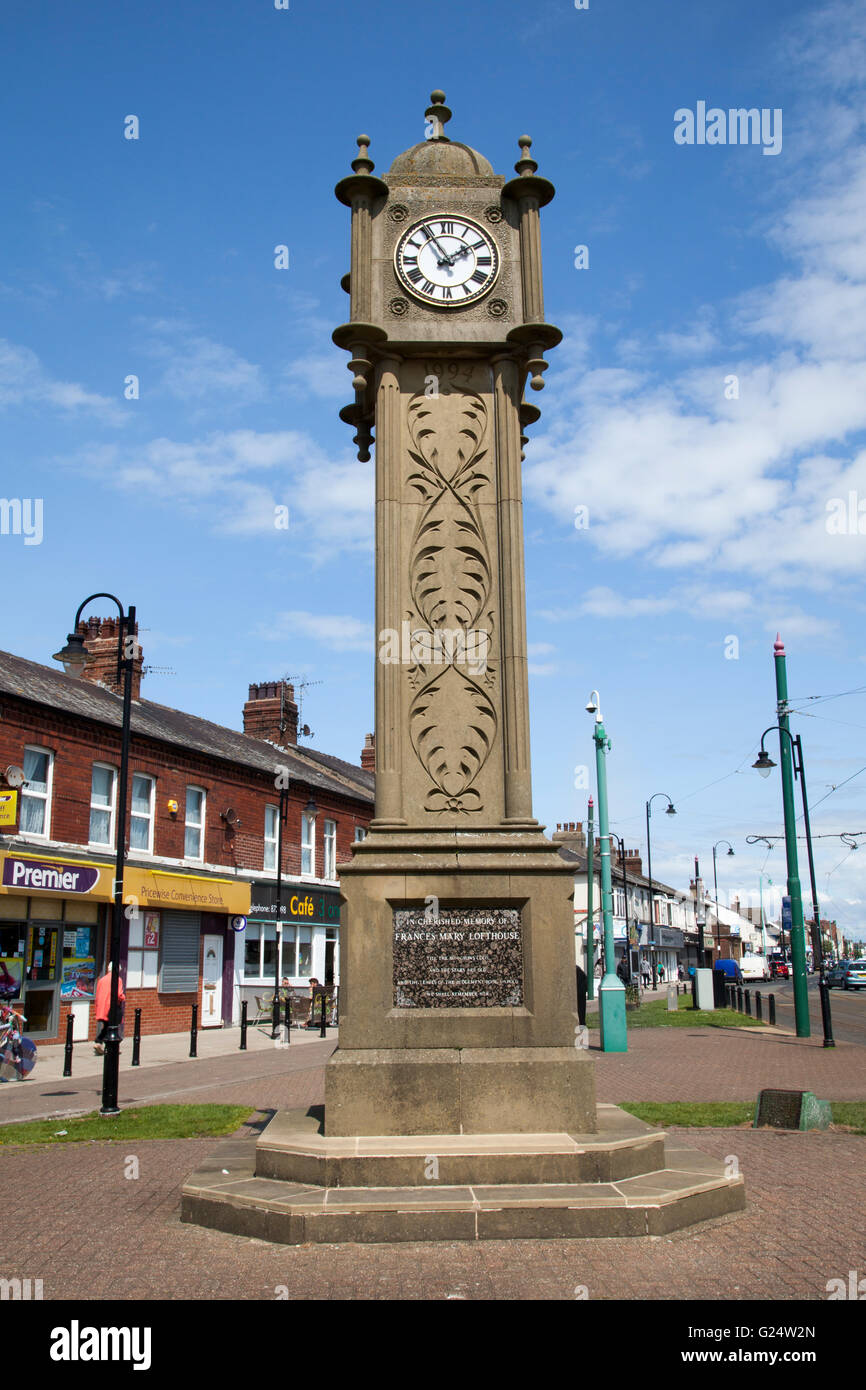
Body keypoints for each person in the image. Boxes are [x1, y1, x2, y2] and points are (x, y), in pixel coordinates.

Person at [93, 964, 125, 1055]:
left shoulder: (102, 980)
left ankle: (100, 1043)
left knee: (107, 1026)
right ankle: (107, 1045)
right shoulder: (117, 979)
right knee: (113, 1027)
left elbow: (98, 994)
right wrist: (123, 997)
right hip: (112, 1007)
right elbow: (119, 994)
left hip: (102, 1007)